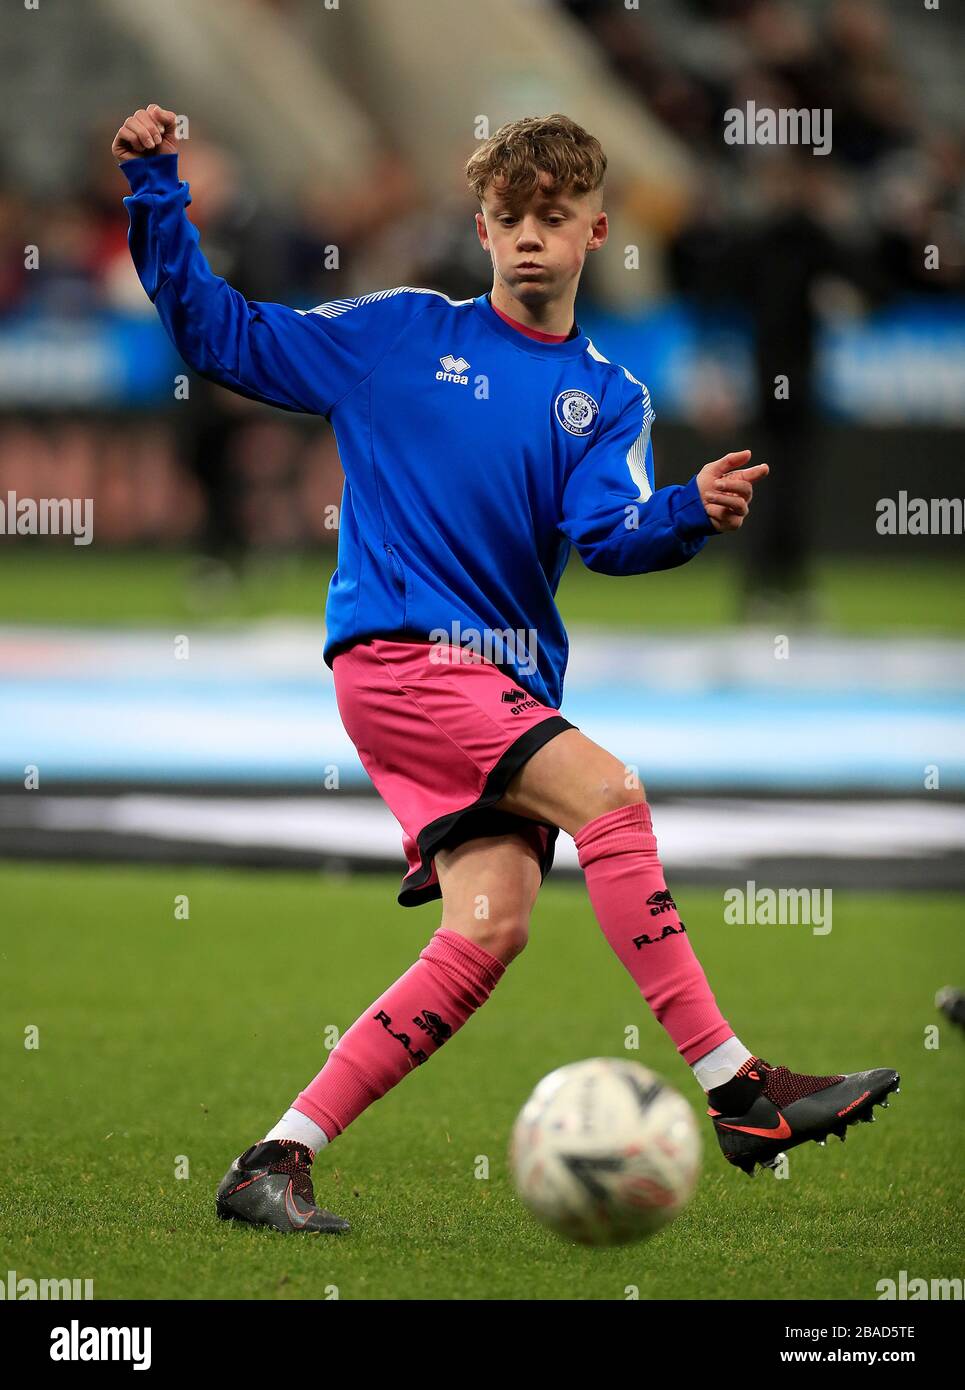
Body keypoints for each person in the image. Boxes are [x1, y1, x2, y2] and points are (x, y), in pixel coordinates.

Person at [113, 106, 898, 1234]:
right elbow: (214, 332)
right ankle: (739, 1089)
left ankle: (274, 1158)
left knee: (488, 928)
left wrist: (685, 511)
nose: (529, 236)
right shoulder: (392, 334)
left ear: (594, 233)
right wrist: (157, 188)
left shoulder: (606, 396)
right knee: (610, 795)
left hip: (498, 688)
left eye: (553, 217)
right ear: (480, 228)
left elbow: (611, 534)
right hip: (403, 656)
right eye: (508, 216)